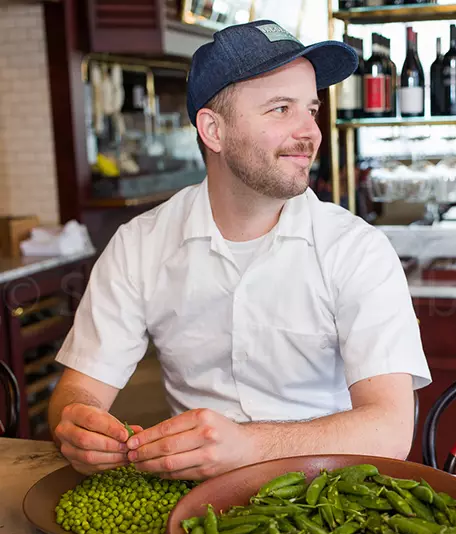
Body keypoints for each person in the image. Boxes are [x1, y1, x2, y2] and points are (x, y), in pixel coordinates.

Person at [49, 19, 431, 480]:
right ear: (213, 130)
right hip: (193, 506)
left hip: (330, 499)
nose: (310, 131)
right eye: (280, 109)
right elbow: (78, 391)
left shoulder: (356, 249)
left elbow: (390, 429)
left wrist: (248, 444)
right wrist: (78, 424)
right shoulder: (140, 244)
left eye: (310, 108)